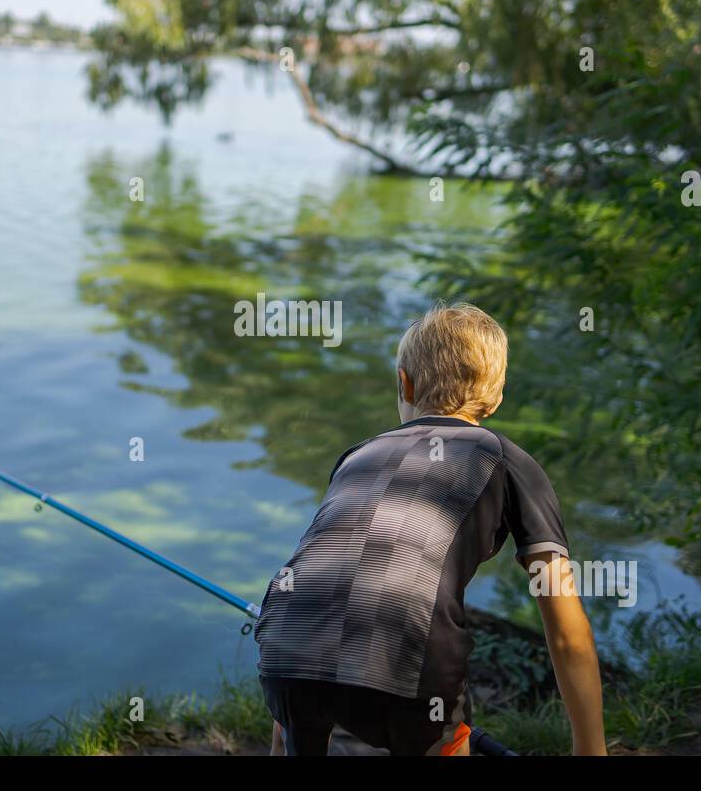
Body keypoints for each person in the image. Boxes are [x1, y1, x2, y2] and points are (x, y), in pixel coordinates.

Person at [254, 301, 606, 755]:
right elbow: (566, 630)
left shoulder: (357, 456)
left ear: (404, 382)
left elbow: (326, 566)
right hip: (408, 660)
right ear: (497, 397)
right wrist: (591, 748)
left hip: (284, 649)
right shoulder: (506, 460)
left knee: (301, 703)